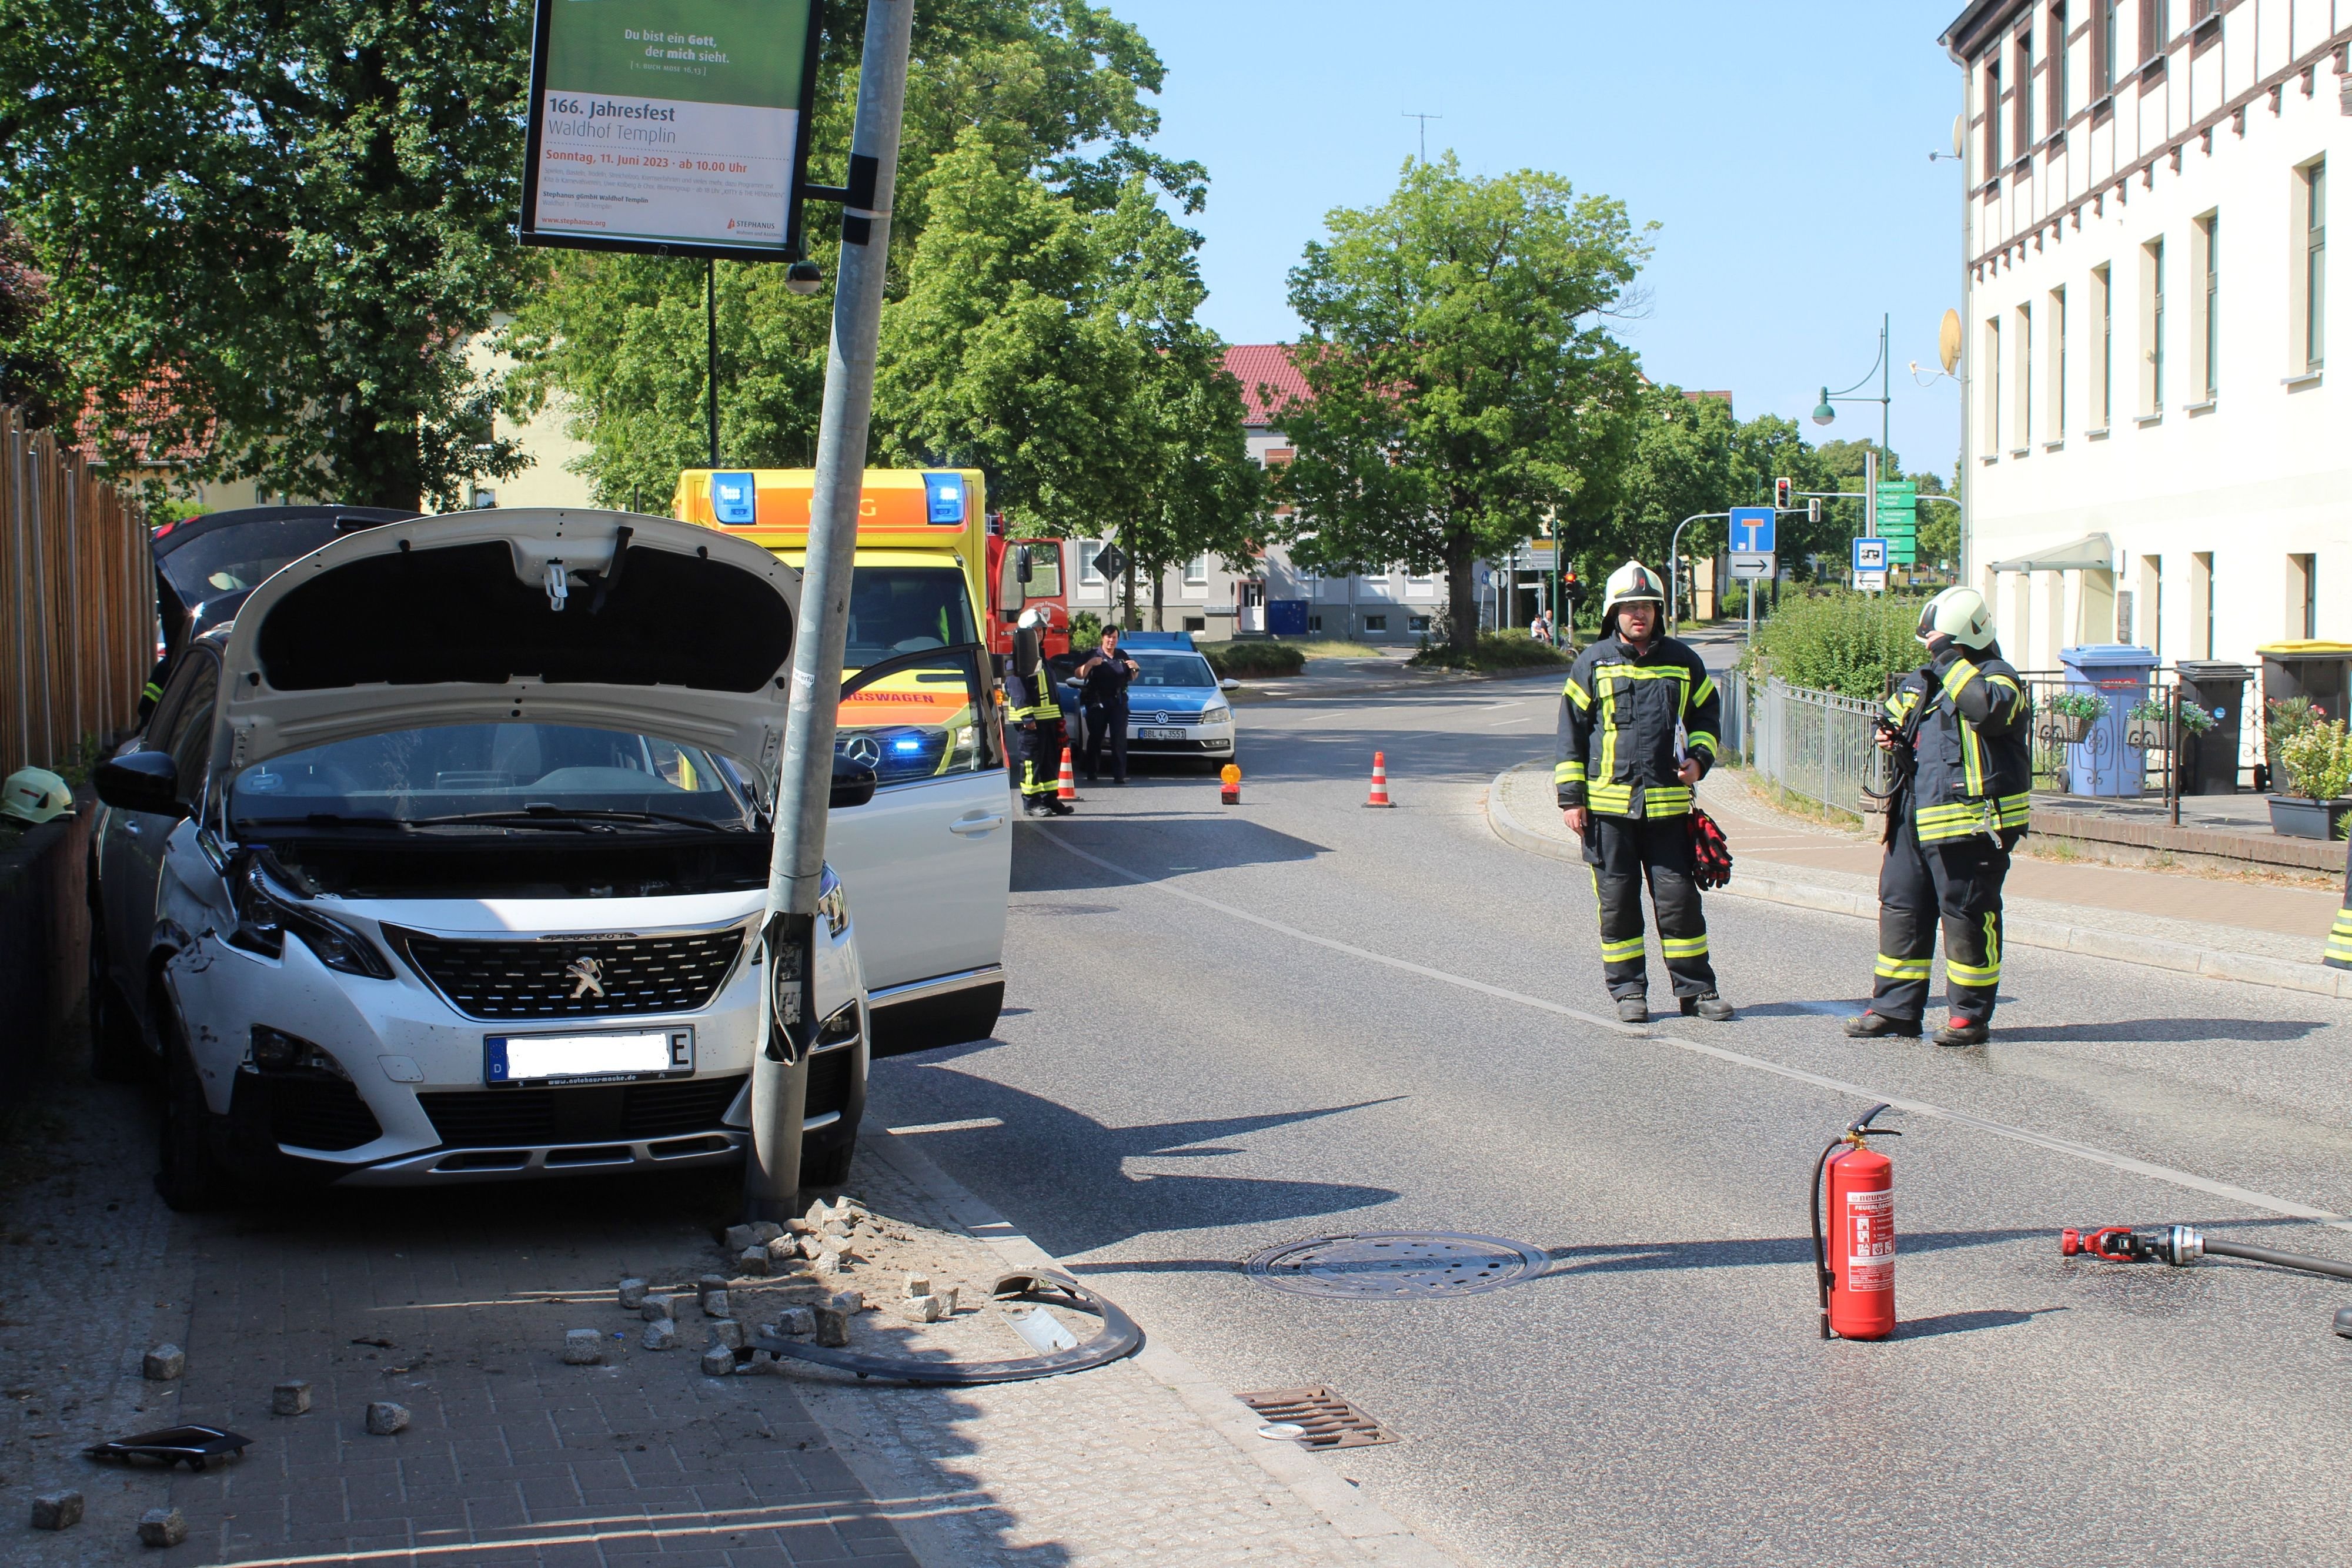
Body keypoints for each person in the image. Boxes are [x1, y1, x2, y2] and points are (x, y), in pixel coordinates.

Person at [1845, 586, 2030, 1047]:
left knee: (1967, 915)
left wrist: (1948, 660)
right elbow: (1890, 715)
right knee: (1902, 908)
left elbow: (1984, 709)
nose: (1929, 651)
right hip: (1913, 819)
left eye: (1938, 643)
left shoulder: (1999, 678)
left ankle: (1969, 1016)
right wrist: (1888, 734)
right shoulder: (1925, 679)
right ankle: (1895, 1010)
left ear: (1962, 636)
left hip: (1971, 827)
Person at [1556, 560, 1733, 1024]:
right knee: (1618, 907)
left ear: (1659, 611)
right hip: (1608, 813)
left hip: (1668, 810)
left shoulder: (1683, 661)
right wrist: (1571, 798)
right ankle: (1629, 992)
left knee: (1679, 904)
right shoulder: (1591, 662)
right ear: (1614, 612)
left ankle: (1698, 991)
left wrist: (1700, 757)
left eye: (1647, 606)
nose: (1639, 614)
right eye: (1630, 606)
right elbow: (1570, 734)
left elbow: (1707, 717)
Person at [1004, 605, 1073, 816]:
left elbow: (1052, 693)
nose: (1040, 634)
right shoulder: (1018, 659)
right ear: (1024, 634)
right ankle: (1031, 803)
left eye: (1041, 630)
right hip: (1031, 724)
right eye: (1035, 630)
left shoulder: (1043, 660)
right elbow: (1017, 689)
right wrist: (1027, 716)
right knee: (1031, 763)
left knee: (1049, 763)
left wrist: (1059, 720)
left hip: (1049, 721)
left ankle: (1050, 799)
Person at [1077, 627, 1138, 784]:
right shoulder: (1093, 654)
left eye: (1115, 637)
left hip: (1118, 702)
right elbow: (1079, 674)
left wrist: (1135, 668)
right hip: (1098, 702)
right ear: (1103, 637)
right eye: (1109, 637)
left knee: (1119, 738)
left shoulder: (1121, 655)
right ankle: (1092, 772)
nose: (1112, 640)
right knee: (1096, 737)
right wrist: (1090, 664)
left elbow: (1132, 678)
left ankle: (1119, 776)